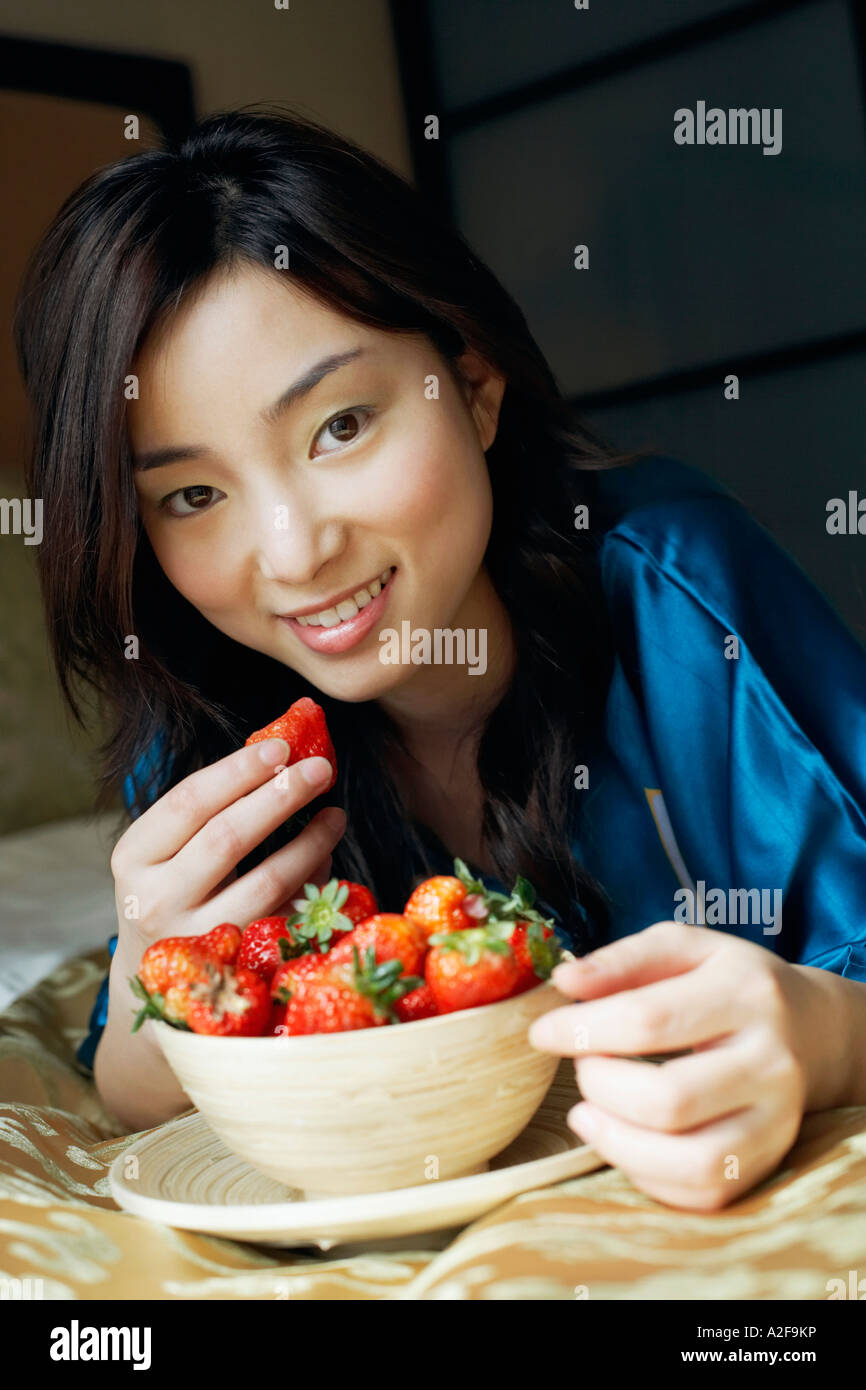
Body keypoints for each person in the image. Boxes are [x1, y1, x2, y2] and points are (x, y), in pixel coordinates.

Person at [13, 107, 866, 1211]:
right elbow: (134, 1085)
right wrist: (145, 972)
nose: (292, 552)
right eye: (192, 494)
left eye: (338, 427)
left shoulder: (672, 583)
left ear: (470, 382)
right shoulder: (206, 703)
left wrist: (828, 1034)